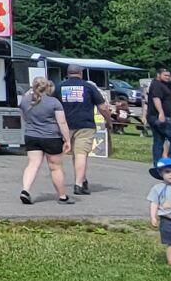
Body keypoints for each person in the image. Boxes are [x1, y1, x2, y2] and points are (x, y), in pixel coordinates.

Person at [18, 77, 73, 205]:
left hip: (31, 136)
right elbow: (62, 122)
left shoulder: (25, 101)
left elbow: (24, 118)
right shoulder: (54, 102)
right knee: (55, 167)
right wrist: (67, 139)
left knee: (32, 164)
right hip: (51, 137)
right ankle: (62, 196)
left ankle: (25, 190)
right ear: (48, 87)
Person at [57, 65, 111, 194]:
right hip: (85, 125)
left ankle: (81, 179)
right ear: (81, 73)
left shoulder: (59, 87)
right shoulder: (89, 87)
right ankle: (79, 184)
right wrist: (109, 121)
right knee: (81, 153)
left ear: (68, 73)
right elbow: (102, 107)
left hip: (65, 125)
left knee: (72, 154)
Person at [148, 66, 171, 165]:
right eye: (165, 75)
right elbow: (156, 98)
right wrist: (161, 113)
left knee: (159, 141)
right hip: (161, 117)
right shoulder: (156, 85)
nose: (168, 77)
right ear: (158, 75)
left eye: (169, 75)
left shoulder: (163, 85)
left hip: (157, 117)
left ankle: (158, 164)